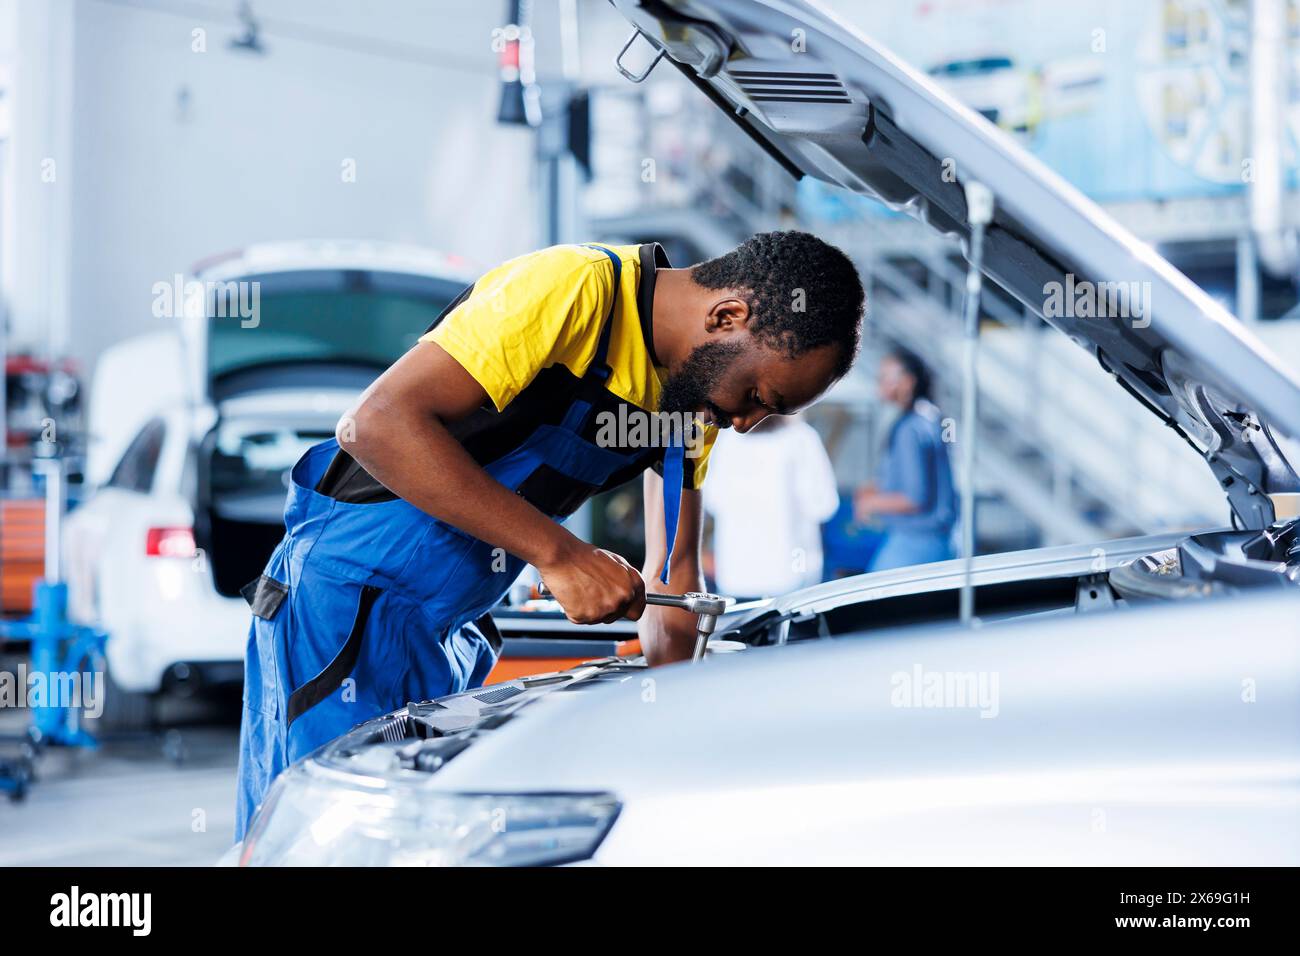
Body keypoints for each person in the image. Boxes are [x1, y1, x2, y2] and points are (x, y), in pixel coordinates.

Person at [235, 232, 865, 837]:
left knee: (403, 840)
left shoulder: (687, 407)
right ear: (728, 316)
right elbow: (375, 425)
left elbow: (674, 582)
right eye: (758, 395)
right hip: (343, 606)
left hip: (446, 629)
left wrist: (681, 726)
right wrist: (561, 554)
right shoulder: (574, 291)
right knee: (312, 835)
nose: (748, 424)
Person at [702, 415, 839, 598]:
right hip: (791, 576)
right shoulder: (801, 438)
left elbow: (712, 500)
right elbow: (823, 505)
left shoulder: (726, 439)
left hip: (736, 575)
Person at [855, 346, 957, 571]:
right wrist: (879, 487)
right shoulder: (930, 416)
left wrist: (869, 502)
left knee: (874, 599)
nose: (879, 384)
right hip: (938, 541)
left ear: (908, 382)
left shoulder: (909, 429)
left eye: (884, 378)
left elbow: (915, 498)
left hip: (915, 543)